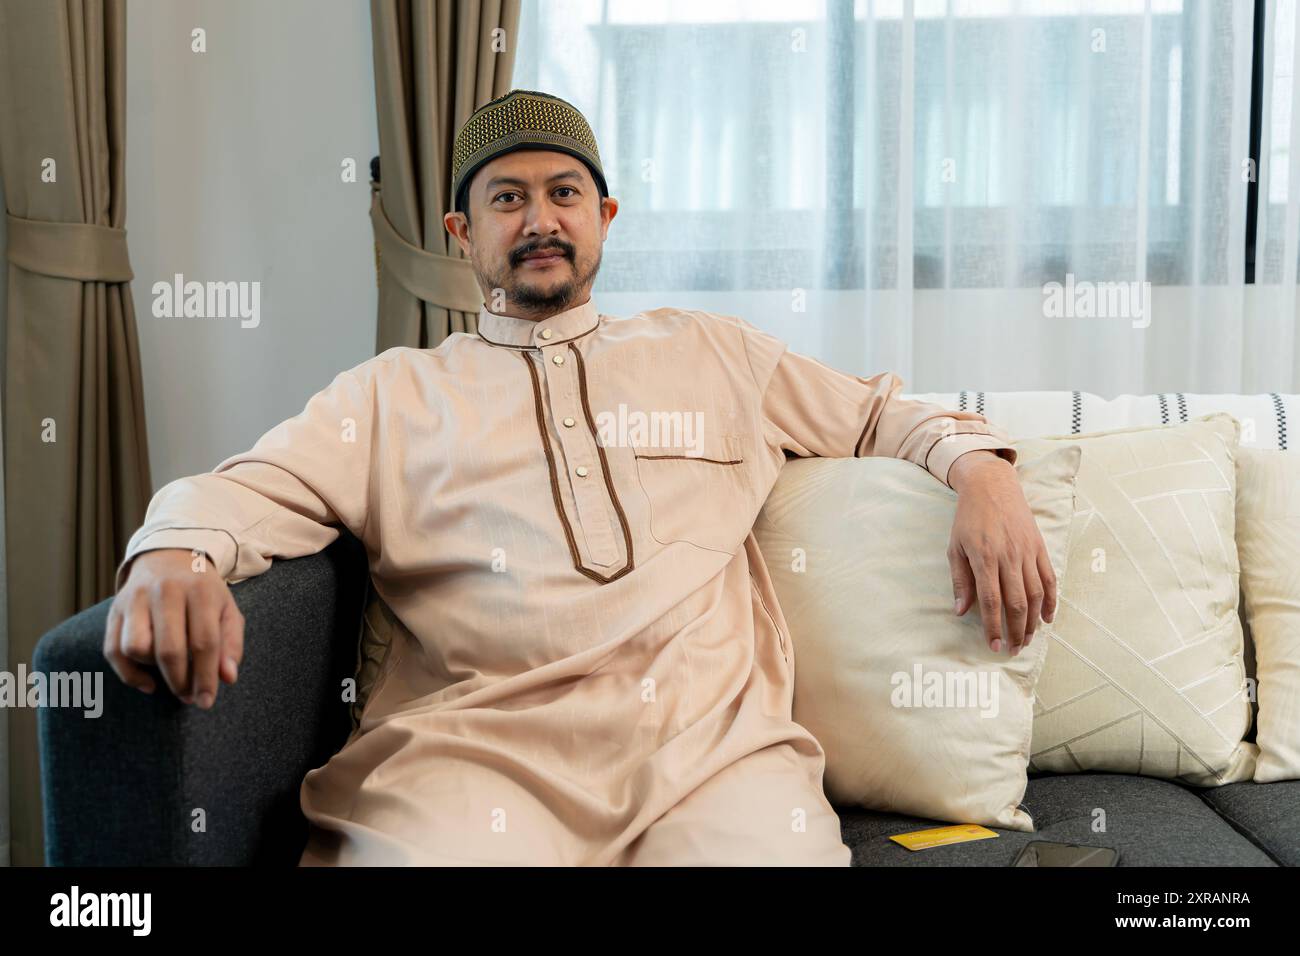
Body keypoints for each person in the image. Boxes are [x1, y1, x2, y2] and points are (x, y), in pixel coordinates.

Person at [105, 89, 1057, 866]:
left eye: (565, 193)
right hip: (471, 755)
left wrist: (985, 479)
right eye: (507, 199)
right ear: (462, 232)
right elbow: (248, 485)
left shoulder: (715, 355)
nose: (540, 218)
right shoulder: (396, 393)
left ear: (603, 218)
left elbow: (883, 411)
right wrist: (176, 553)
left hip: (712, 760)